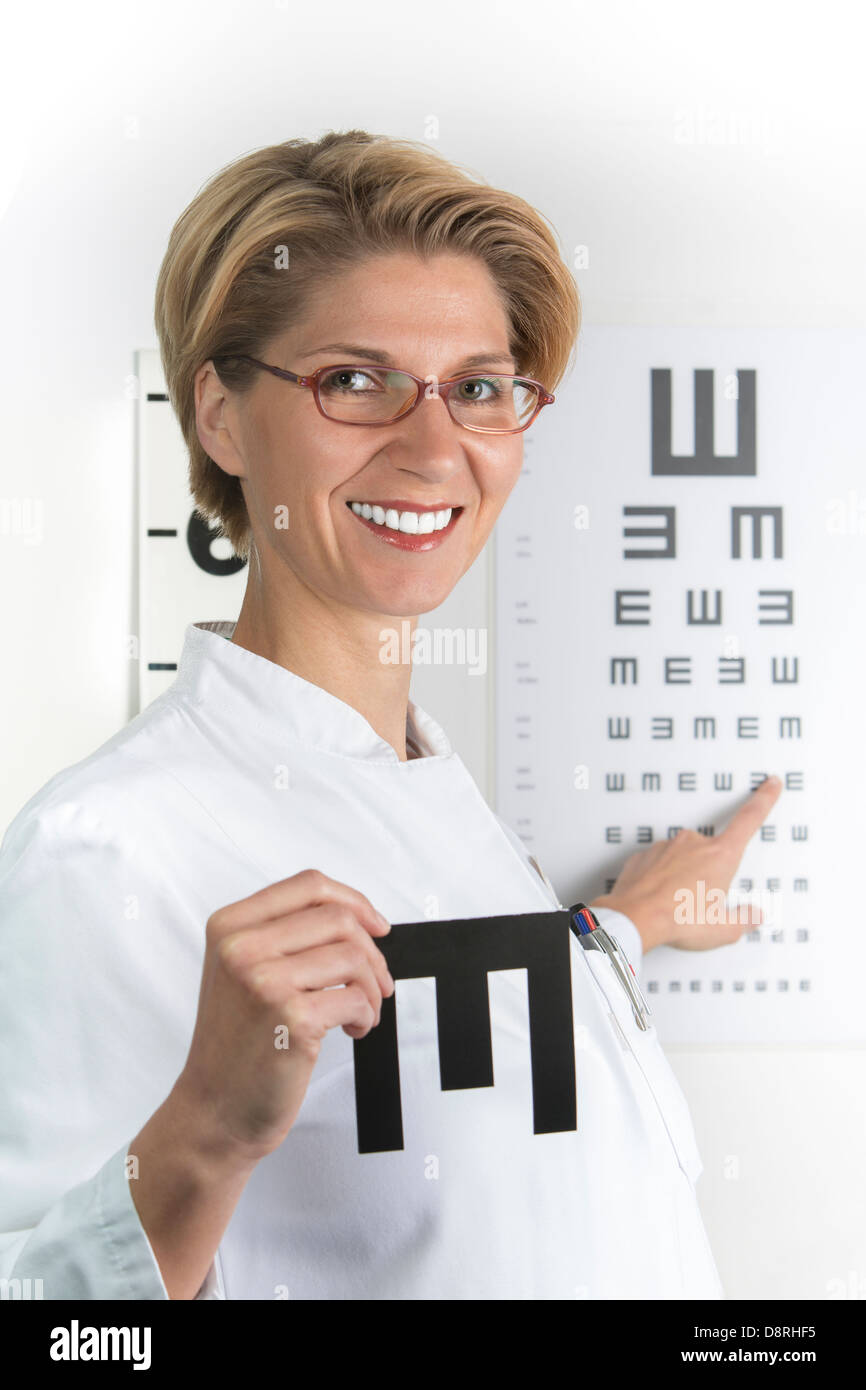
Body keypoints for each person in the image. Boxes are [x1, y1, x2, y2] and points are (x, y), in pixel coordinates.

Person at [0, 130, 782, 1301]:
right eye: (353, 381)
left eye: (477, 388)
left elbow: (457, 1033)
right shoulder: (110, 847)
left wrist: (621, 927)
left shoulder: (421, 784)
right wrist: (204, 1130)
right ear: (220, 415)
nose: (431, 450)